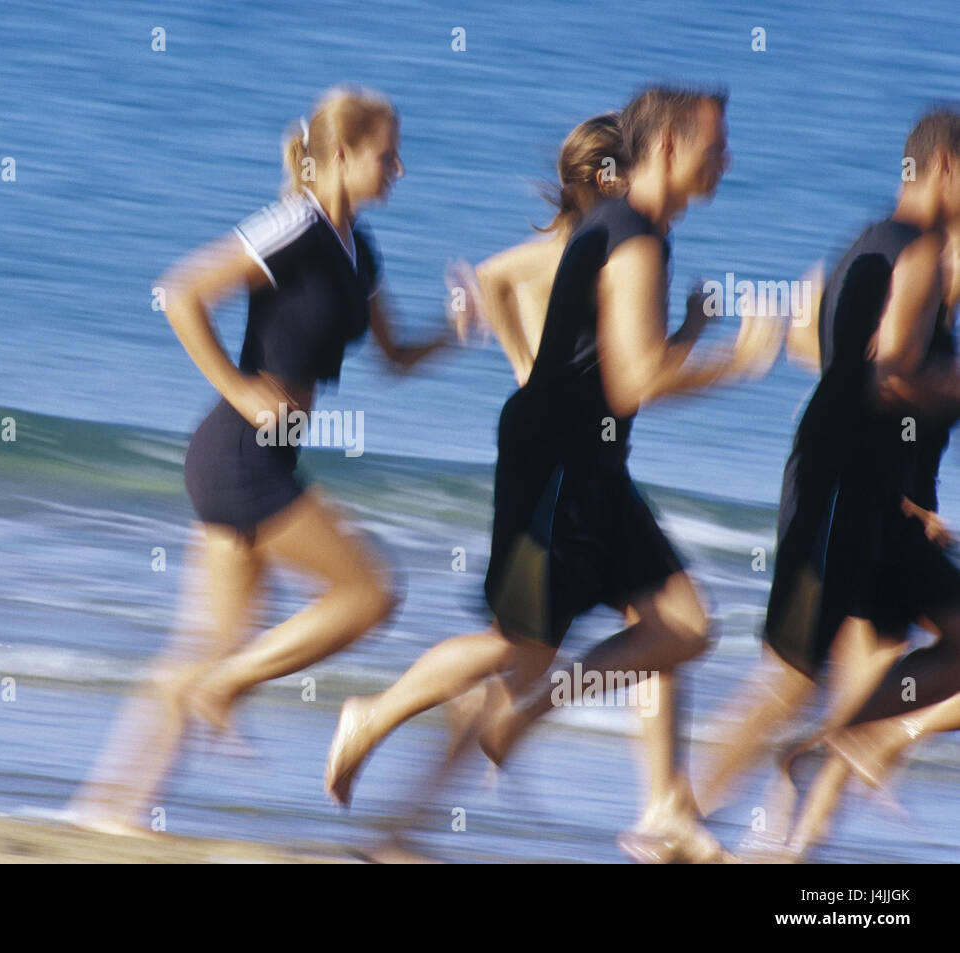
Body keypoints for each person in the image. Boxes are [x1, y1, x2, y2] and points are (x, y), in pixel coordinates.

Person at [325, 86, 781, 863]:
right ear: (670, 147)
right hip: (560, 465)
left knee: (679, 627)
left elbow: (612, 361)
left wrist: (688, 333)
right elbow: (633, 380)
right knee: (518, 650)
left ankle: (502, 754)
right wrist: (736, 361)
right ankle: (376, 724)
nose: (727, 161)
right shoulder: (630, 237)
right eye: (717, 146)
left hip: (588, 462)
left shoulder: (631, 231)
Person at [69, 85, 455, 833]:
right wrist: (242, 390)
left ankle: (108, 811)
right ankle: (222, 688)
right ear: (342, 154)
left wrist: (456, 329)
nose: (399, 169)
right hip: (238, 453)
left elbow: (396, 355)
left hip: (262, 461)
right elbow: (181, 293)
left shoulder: (360, 250)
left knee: (207, 643)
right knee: (370, 592)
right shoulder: (294, 224)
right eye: (387, 156)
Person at [695, 108, 960, 859]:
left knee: (850, 667)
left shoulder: (871, 242)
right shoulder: (917, 251)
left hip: (875, 495)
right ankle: (678, 819)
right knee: (790, 676)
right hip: (844, 486)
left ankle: (820, 767)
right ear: (945, 166)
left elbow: (833, 347)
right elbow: (887, 377)